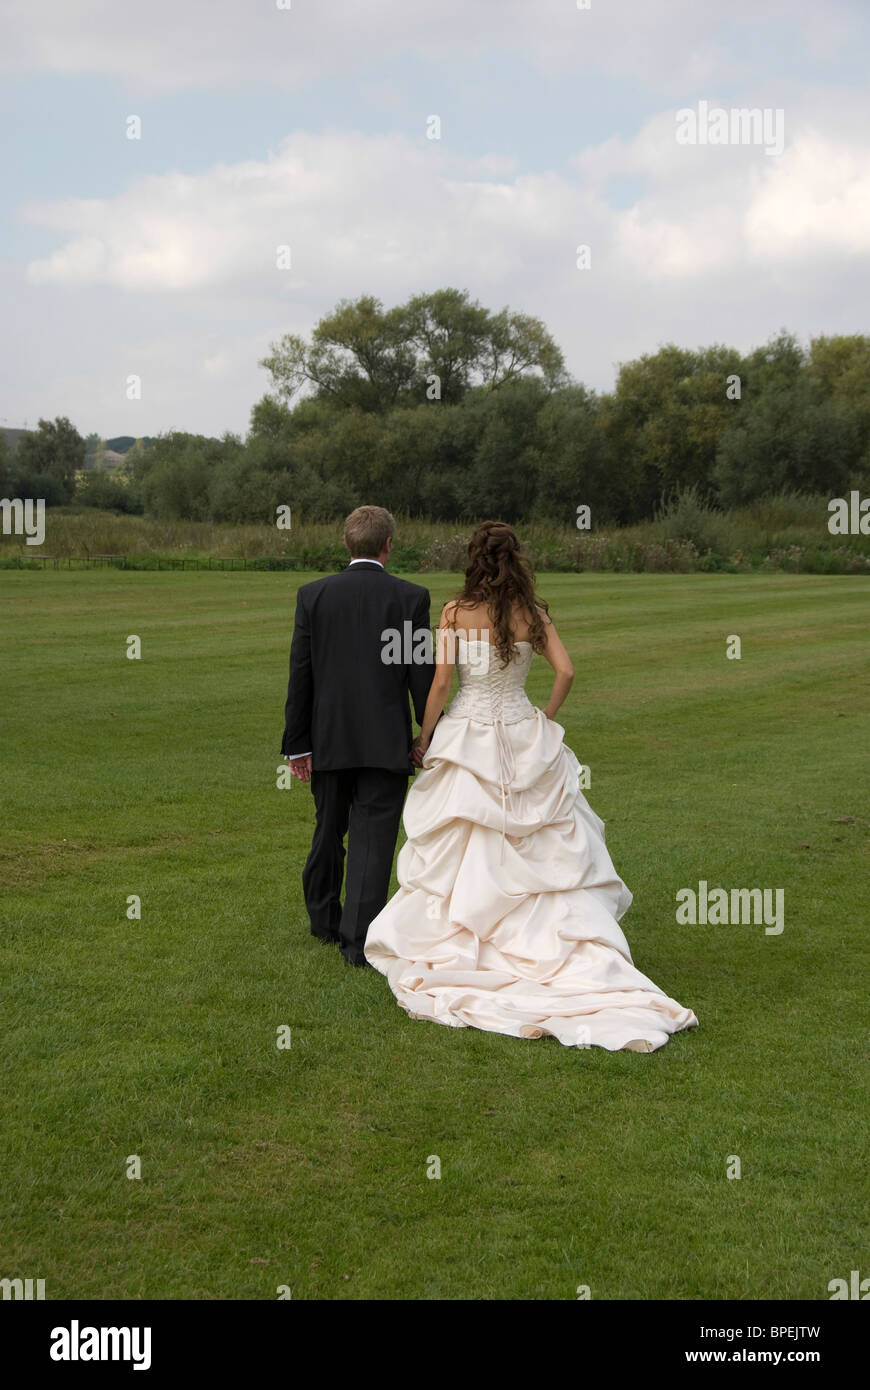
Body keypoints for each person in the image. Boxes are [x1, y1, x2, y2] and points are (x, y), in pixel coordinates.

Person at [364, 520, 698, 1052]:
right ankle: (551, 949)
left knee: (465, 838)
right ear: (515, 559)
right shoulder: (533, 615)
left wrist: (425, 738)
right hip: (523, 732)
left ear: (473, 559)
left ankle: (472, 936)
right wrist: (543, 715)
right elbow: (566, 671)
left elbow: (443, 683)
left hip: (467, 732)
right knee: (541, 844)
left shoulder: (454, 612)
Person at [281, 505, 434, 966]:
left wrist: (298, 745)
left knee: (328, 831)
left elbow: (300, 675)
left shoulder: (314, 595)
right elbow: (420, 676)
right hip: (385, 741)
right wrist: (429, 736)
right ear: (389, 545)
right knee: (372, 841)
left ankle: (324, 922)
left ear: (346, 544)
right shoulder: (412, 597)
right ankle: (357, 942)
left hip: (328, 739)